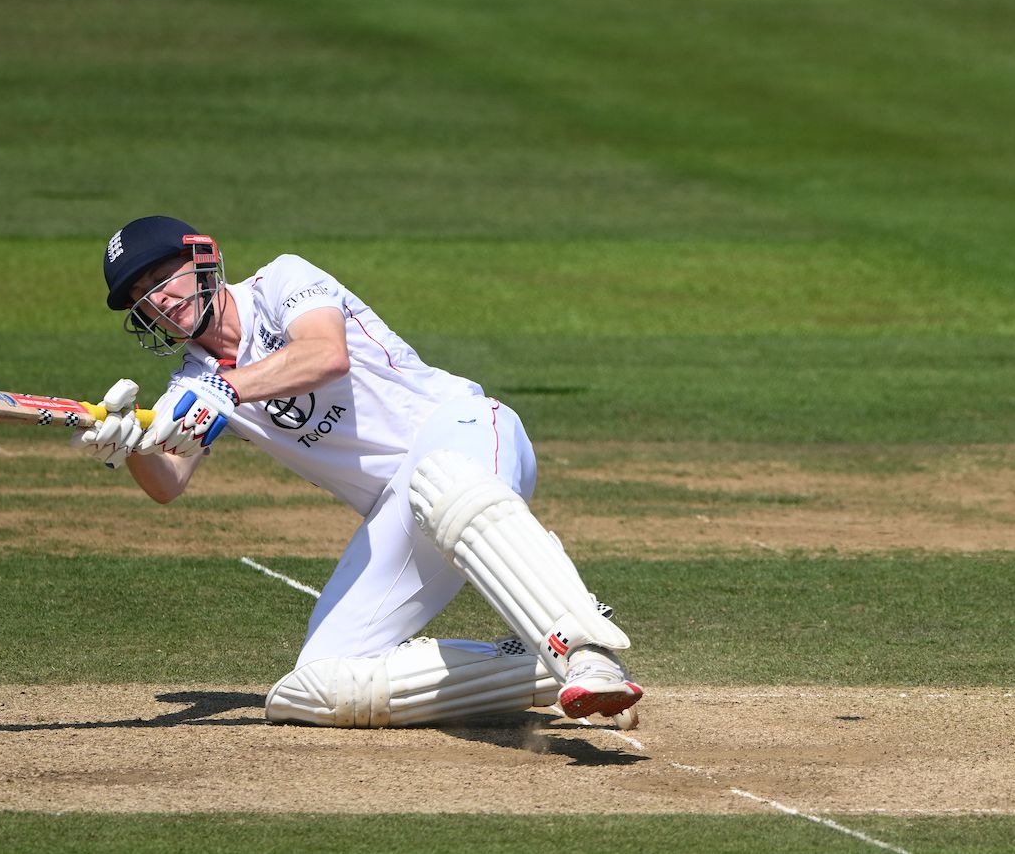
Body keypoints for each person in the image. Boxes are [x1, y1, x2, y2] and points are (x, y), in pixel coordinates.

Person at [74, 215, 643, 729]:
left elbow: (325, 354)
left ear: (201, 258)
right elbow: (169, 484)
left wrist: (228, 389)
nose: (156, 299)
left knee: (441, 480)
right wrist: (130, 445)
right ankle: (538, 666)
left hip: (464, 433)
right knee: (314, 687)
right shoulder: (191, 384)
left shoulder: (281, 282)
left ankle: (585, 649)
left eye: (160, 277)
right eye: (139, 297)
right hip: (400, 513)